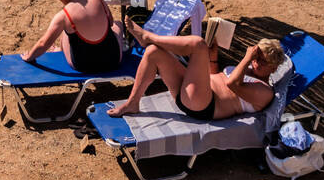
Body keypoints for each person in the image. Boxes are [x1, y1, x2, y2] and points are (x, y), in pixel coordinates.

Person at [107, 28, 285, 120]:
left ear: (273, 69)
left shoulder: (265, 92)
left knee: (198, 45)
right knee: (154, 52)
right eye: (257, 57)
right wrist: (213, 57)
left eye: (263, 61)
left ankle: (148, 37)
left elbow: (231, 86)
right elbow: (215, 77)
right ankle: (132, 103)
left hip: (204, 106)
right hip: (193, 92)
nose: (257, 62)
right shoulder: (247, 70)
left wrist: (246, 58)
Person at [20, 0, 124, 73]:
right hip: (113, 61)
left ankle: (60, 51)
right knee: (117, 24)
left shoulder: (64, 15)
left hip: (84, 66)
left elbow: (44, 43)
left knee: (66, 32)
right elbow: (110, 23)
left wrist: (29, 57)